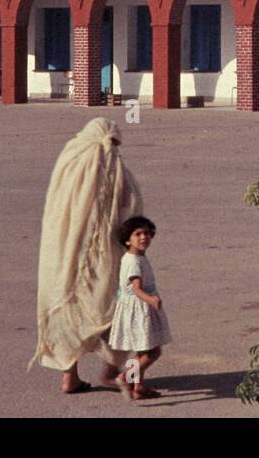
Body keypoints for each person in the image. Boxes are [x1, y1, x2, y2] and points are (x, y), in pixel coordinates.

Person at [29, 118, 143, 395]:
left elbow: (53, 205)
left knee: (68, 308)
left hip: (63, 253)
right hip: (106, 257)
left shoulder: (70, 158)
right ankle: (112, 370)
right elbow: (132, 212)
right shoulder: (118, 170)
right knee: (113, 307)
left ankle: (70, 375)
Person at [108, 216, 172, 400]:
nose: (144, 237)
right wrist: (152, 300)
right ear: (127, 240)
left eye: (146, 233)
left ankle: (139, 386)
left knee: (142, 349)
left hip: (134, 308)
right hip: (139, 310)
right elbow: (137, 289)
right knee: (153, 352)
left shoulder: (134, 257)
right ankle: (125, 377)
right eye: (138, 234)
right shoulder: (134, 261)